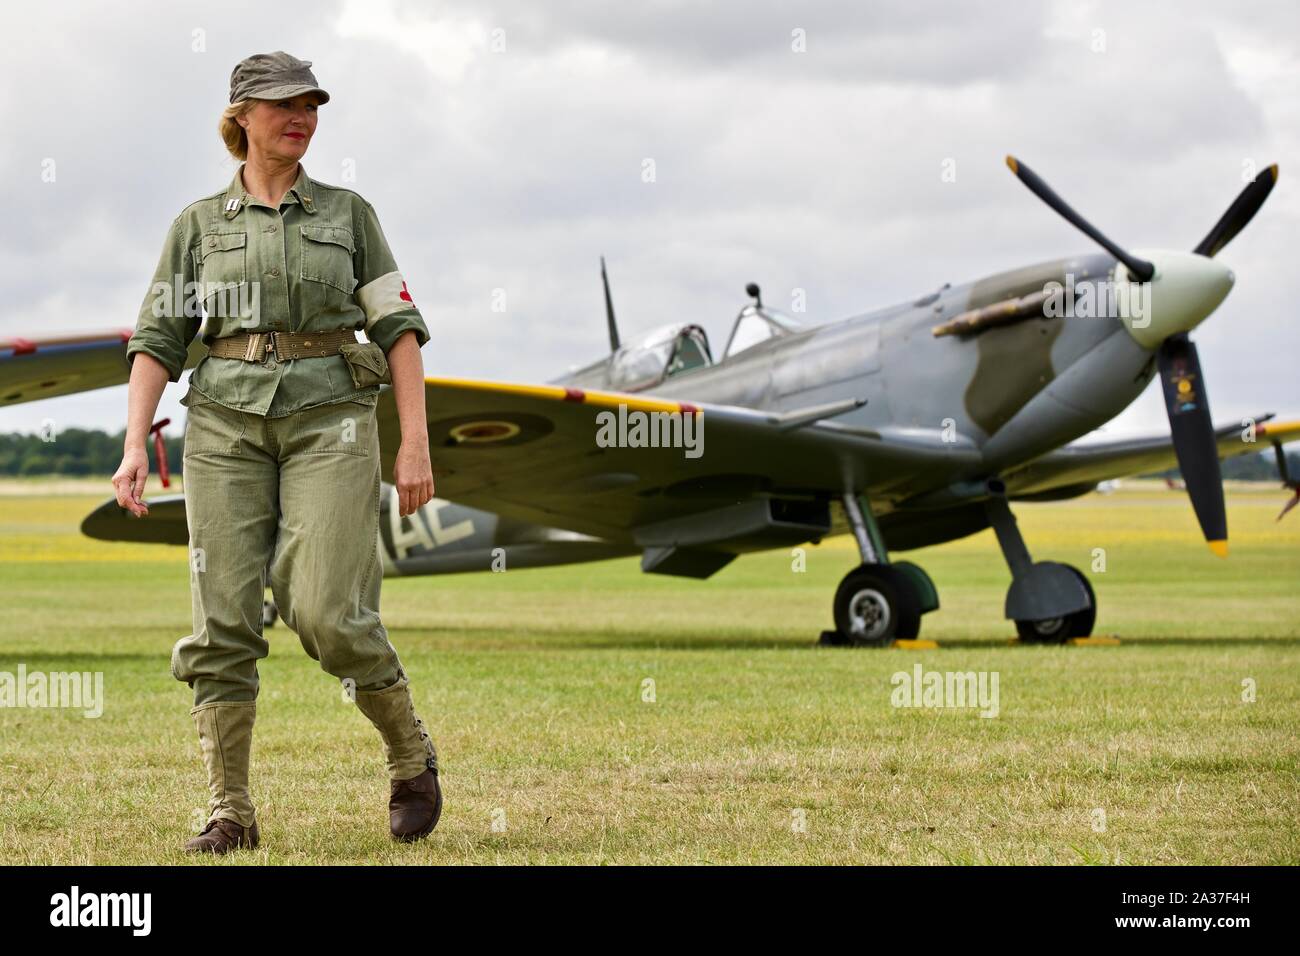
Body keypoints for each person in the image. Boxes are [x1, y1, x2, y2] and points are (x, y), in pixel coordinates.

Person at [112, 51, 442, 853]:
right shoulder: (196, 227)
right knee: (221, 618)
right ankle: (231, 811)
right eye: (281, 104)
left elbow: (400, 331)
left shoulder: (348, 214)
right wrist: (132, 446)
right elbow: (158, 339)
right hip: (224, 426)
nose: (300, 116)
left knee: (328, 610)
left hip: (331, 420)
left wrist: (414, 447)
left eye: (310, 104)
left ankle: (410, 753)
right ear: (241, 118)